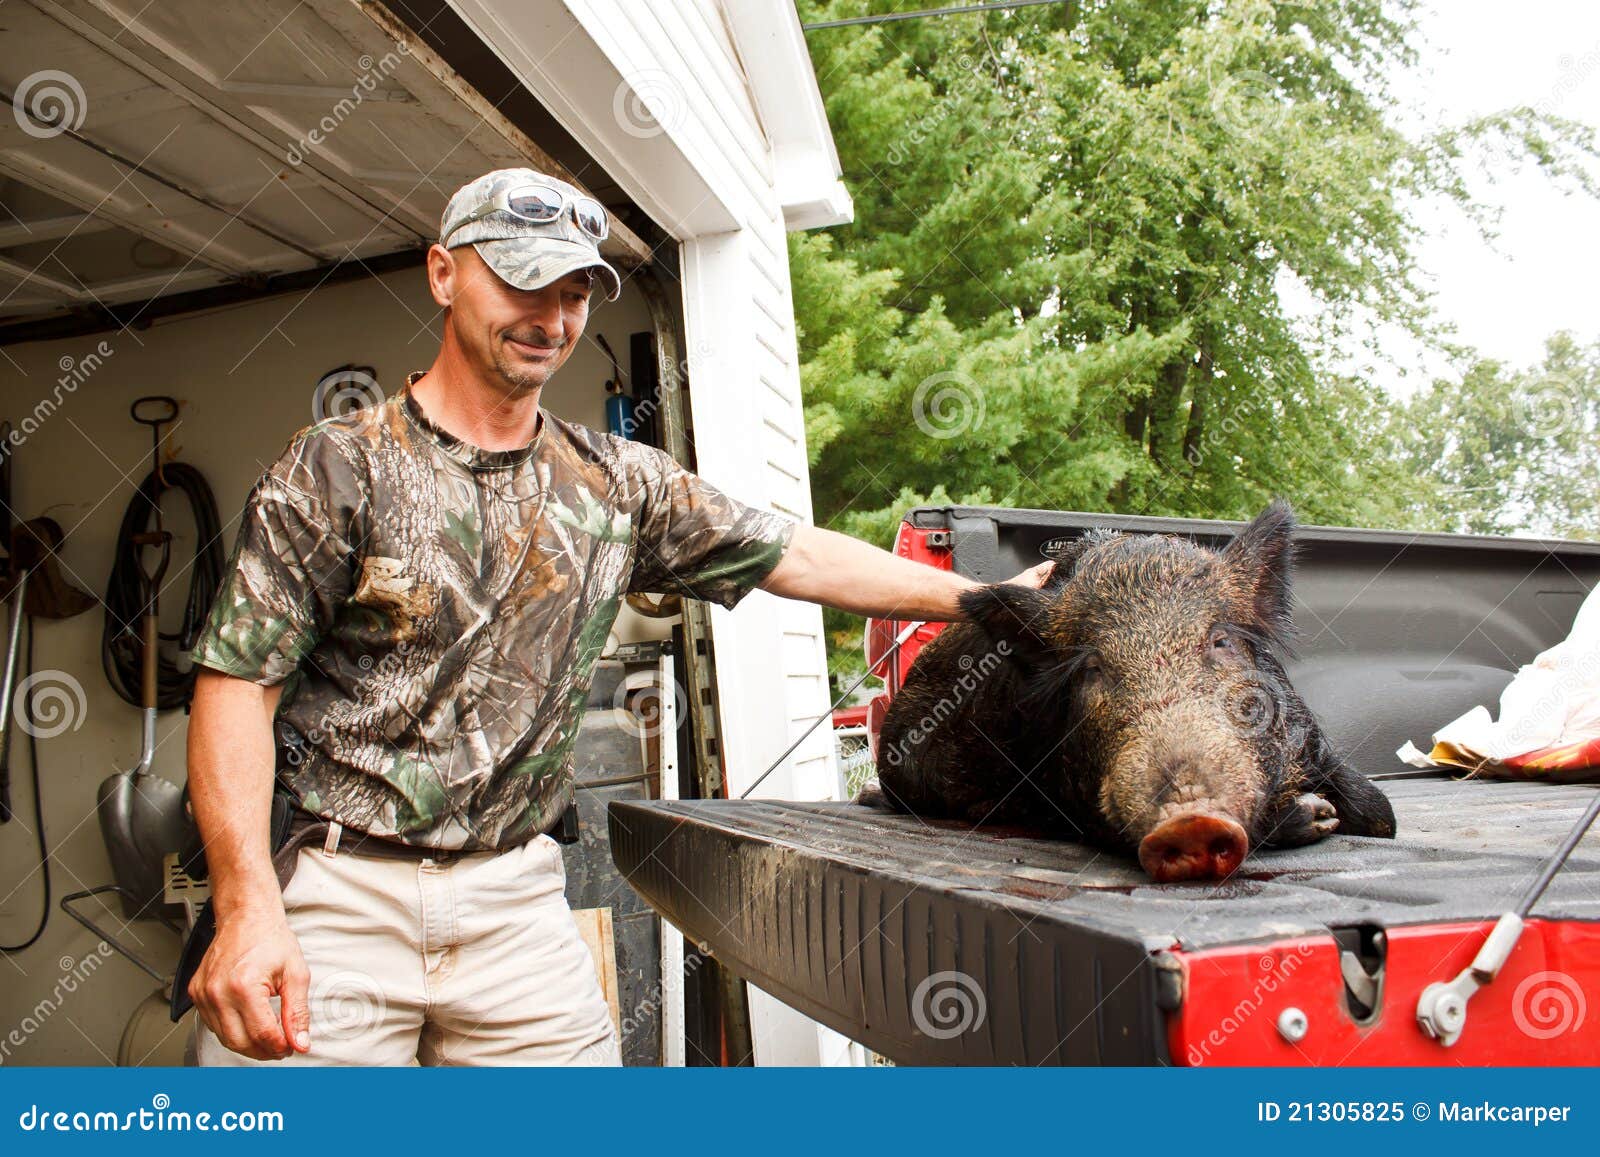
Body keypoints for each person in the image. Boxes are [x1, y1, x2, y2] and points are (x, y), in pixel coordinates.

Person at [186, 167, 1049, 1066]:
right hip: (337, 892)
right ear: (443, 273)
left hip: (513, 903)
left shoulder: (618, 482)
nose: (550, 318)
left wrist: (986, 602)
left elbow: (794, 552)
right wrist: (247, 907)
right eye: (522, 281)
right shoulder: (336, 467)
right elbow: (236, 686)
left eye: (572, 293)